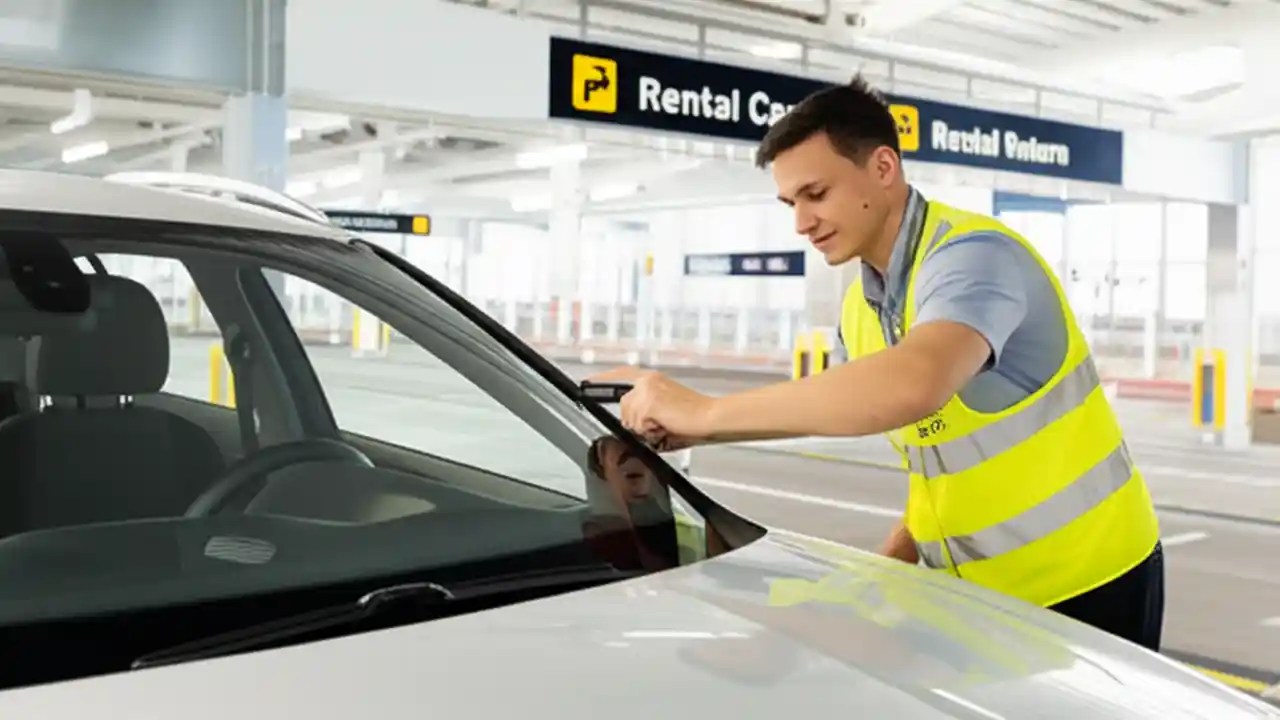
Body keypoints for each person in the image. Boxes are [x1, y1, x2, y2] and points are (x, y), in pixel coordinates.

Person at [588, 75, 1165, 651]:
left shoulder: (974, 257)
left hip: (1089, 583)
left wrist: (705, 412)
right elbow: (927, 453)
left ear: (884, 169)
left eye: (816, 194)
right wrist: (686, 429)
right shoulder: (862, 306)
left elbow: (915, 383)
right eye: (791, 203)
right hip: (984, 597)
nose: (801, 223)